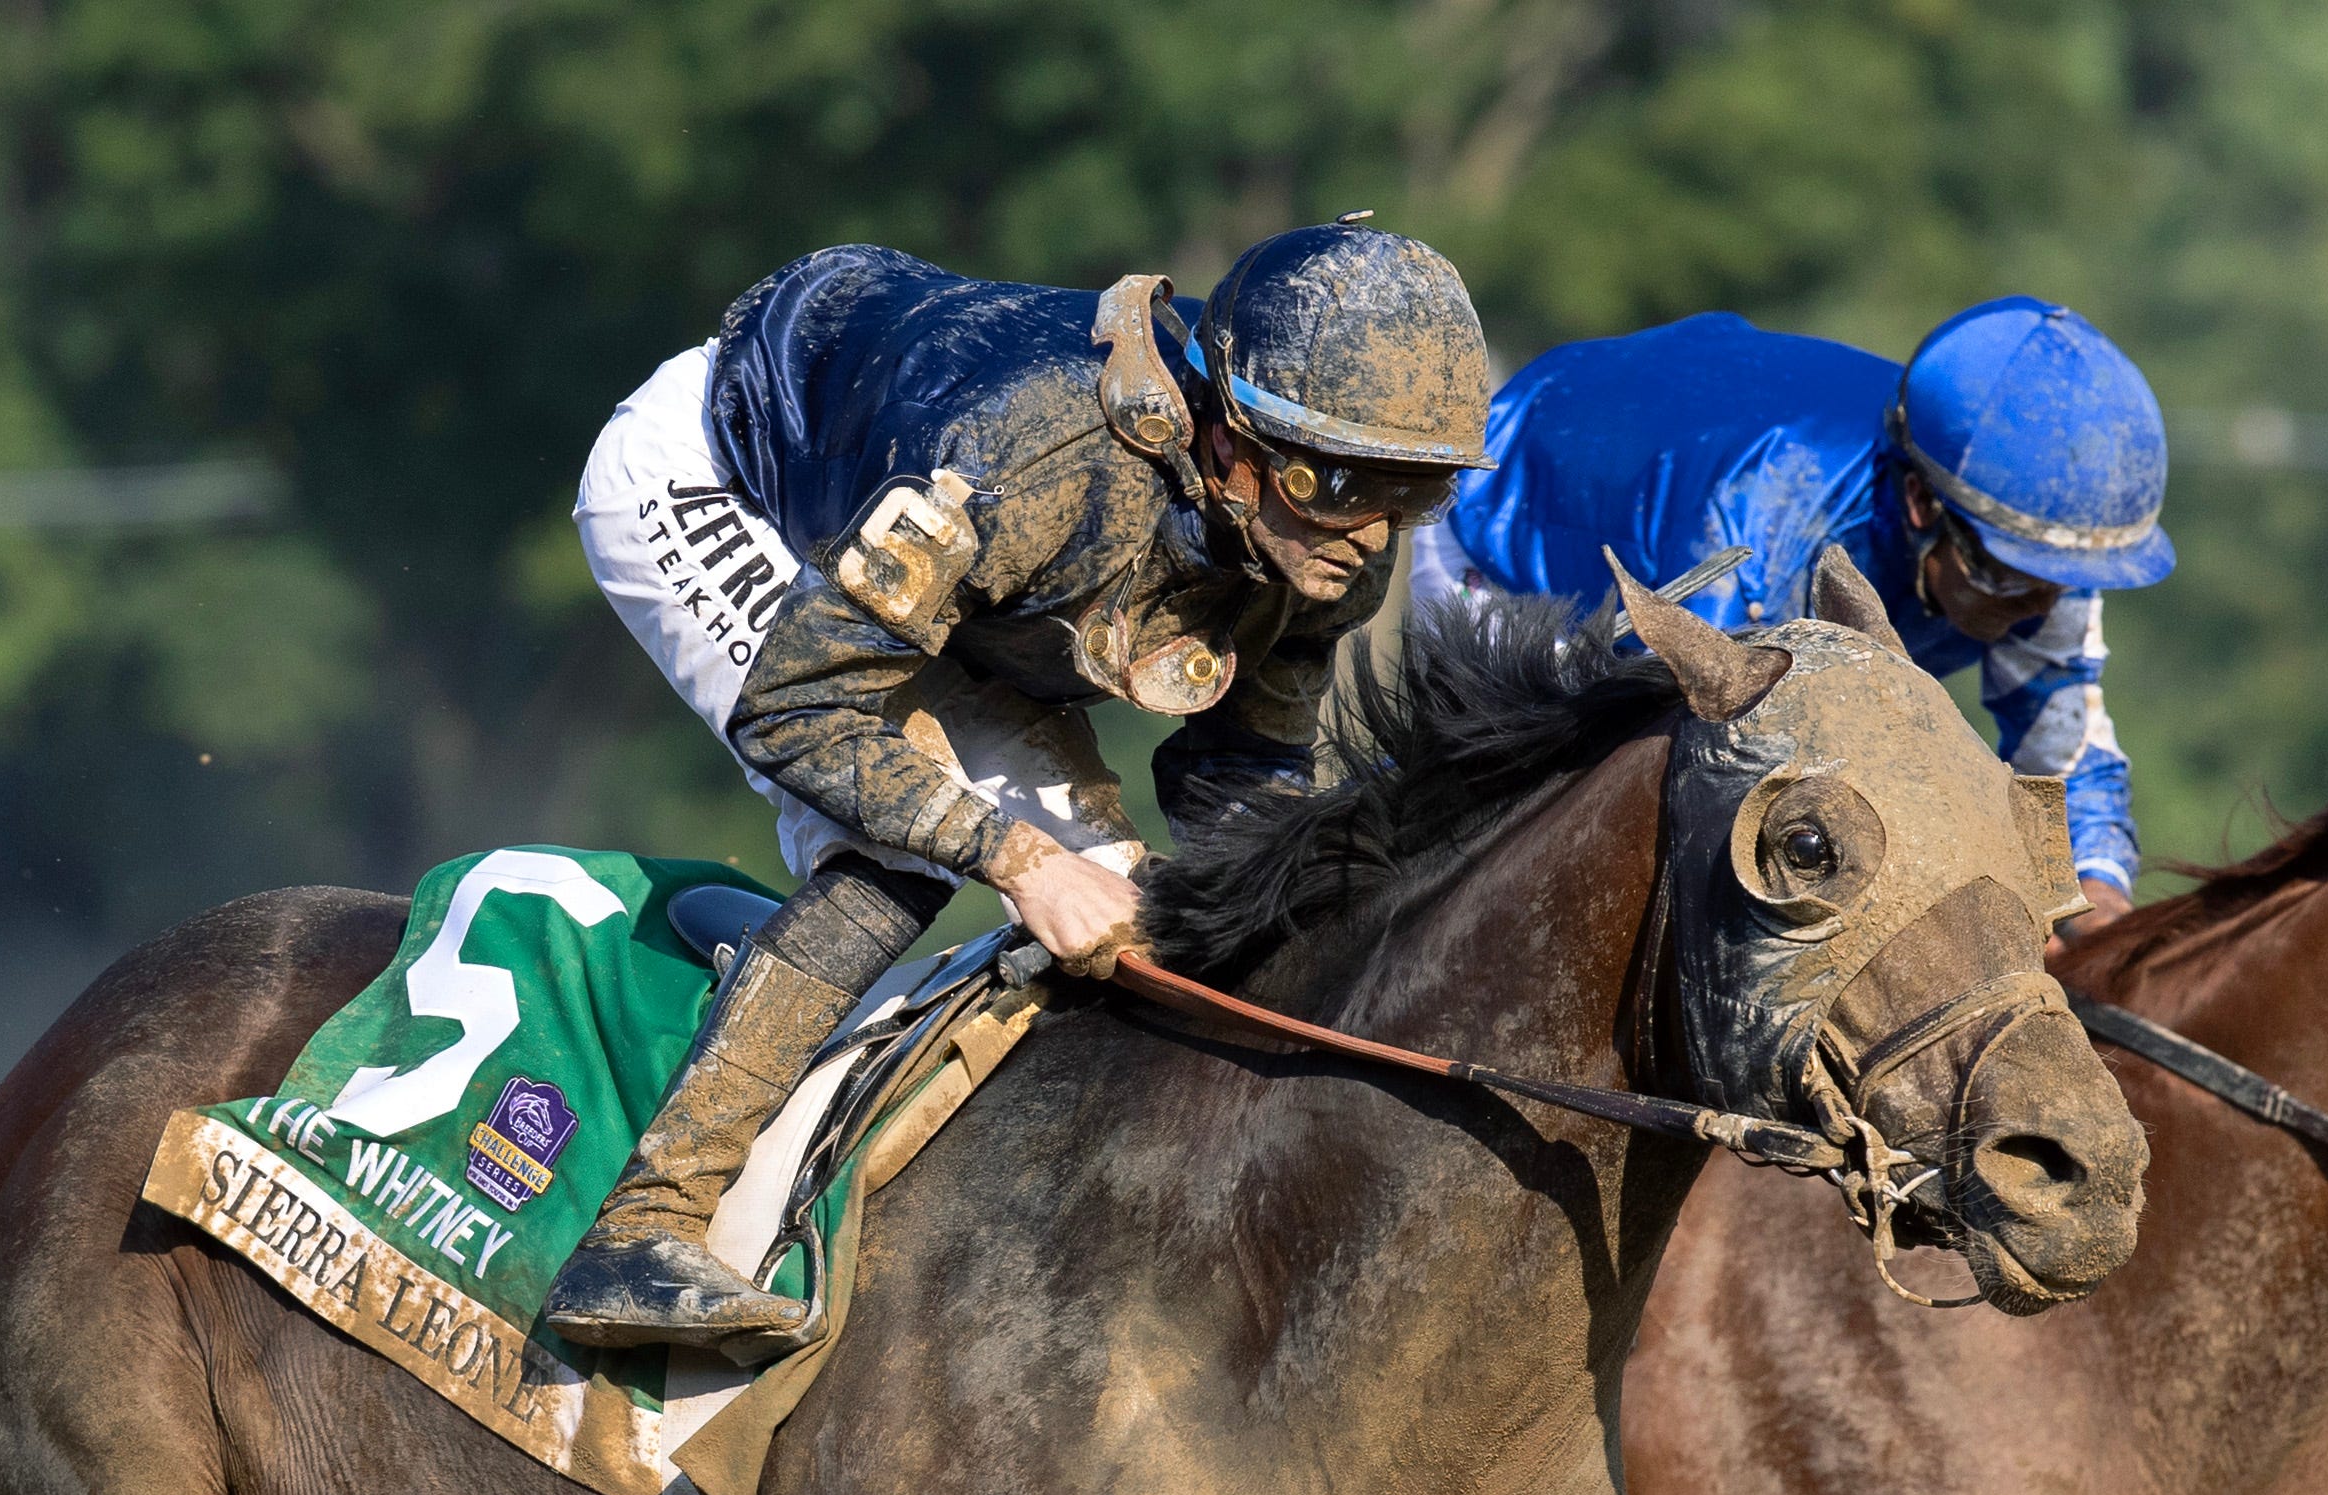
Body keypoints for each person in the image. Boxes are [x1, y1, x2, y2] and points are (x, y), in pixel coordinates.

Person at [552, 220, 1493, 1355]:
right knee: (911, 845)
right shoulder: (1032, 458)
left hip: (925, 548)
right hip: (725, 471)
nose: (1372, 532)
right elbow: (801, 709)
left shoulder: (1329, 539)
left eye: (1417, 490)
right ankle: (640, 1228)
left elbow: (1242, 778)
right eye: (1337, 481)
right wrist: (1016, 859)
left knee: (1130, 907)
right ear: (1224, 430)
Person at [1416, 297, 2172, 927]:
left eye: (2060, 582)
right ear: (1920, 502)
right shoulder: (1754, 538)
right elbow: (1707, 786)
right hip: (1514, 520)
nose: (2037, 608)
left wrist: (2097, 894)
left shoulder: (2029, 552)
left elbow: (2067, 749)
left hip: (1704, 424)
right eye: (2009, 577)